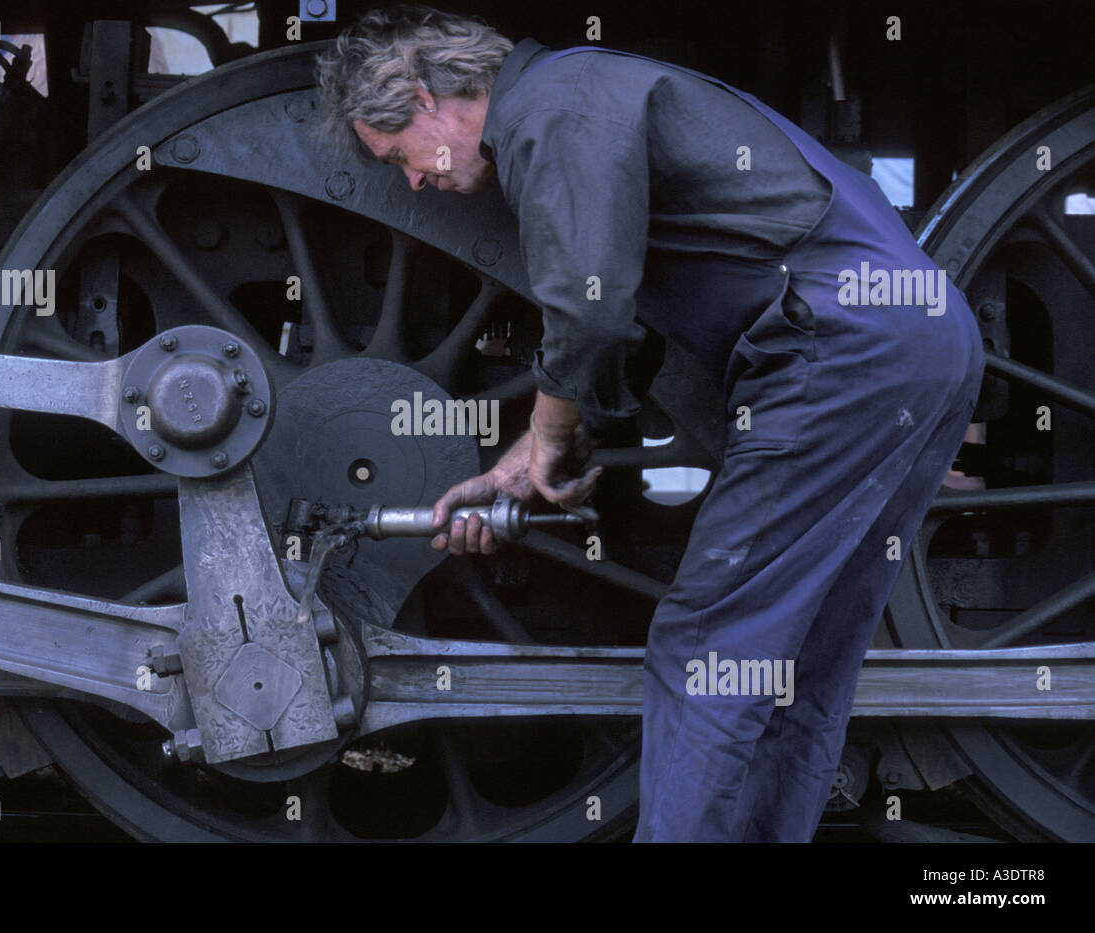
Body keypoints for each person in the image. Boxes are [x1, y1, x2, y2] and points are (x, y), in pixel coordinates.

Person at [315, 4, 983, 841]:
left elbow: (591, 316)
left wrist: (550, 431)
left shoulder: (549, 110)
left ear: (423, 95)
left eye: (398, 156)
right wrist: (531, 453)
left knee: (707, 643)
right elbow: (624, 336)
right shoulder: (592, 90)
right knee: (801, 662)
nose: (412, 181)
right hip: (919, 343)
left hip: (838, 353)